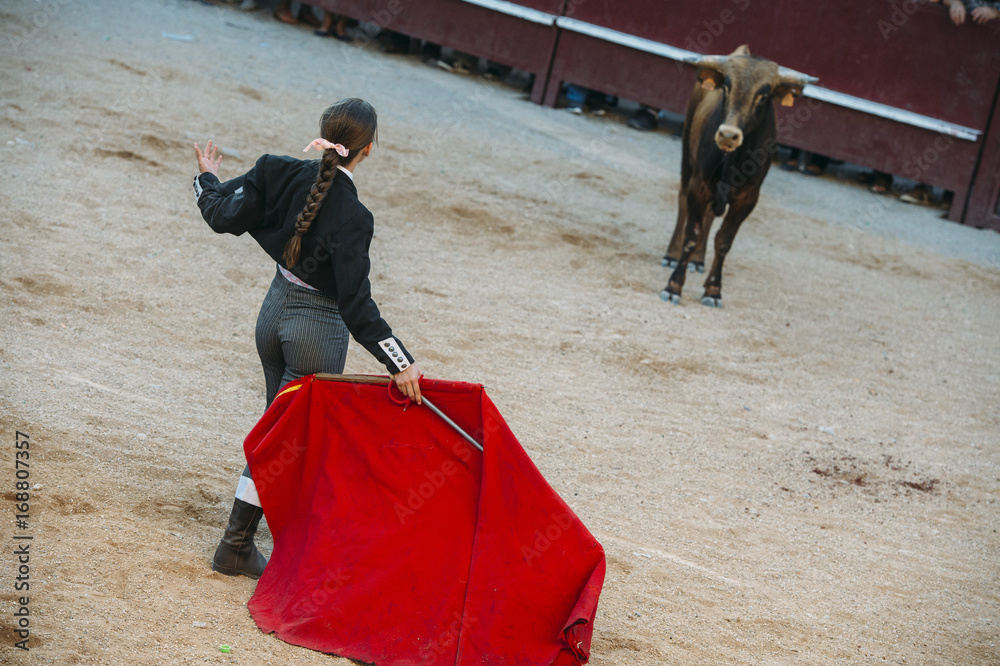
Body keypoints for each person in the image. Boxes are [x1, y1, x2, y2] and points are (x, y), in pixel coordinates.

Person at [192, 98, 423, 579]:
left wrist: (206, 178)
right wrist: (400, 361)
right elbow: (358, 309)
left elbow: (219, 214)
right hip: (315, 336)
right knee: (285, 440)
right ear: (369, 149)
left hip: (272, 316)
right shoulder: (355, 217)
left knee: (284, 433)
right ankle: (236, 546)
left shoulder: (277, 170)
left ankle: (277, 534)